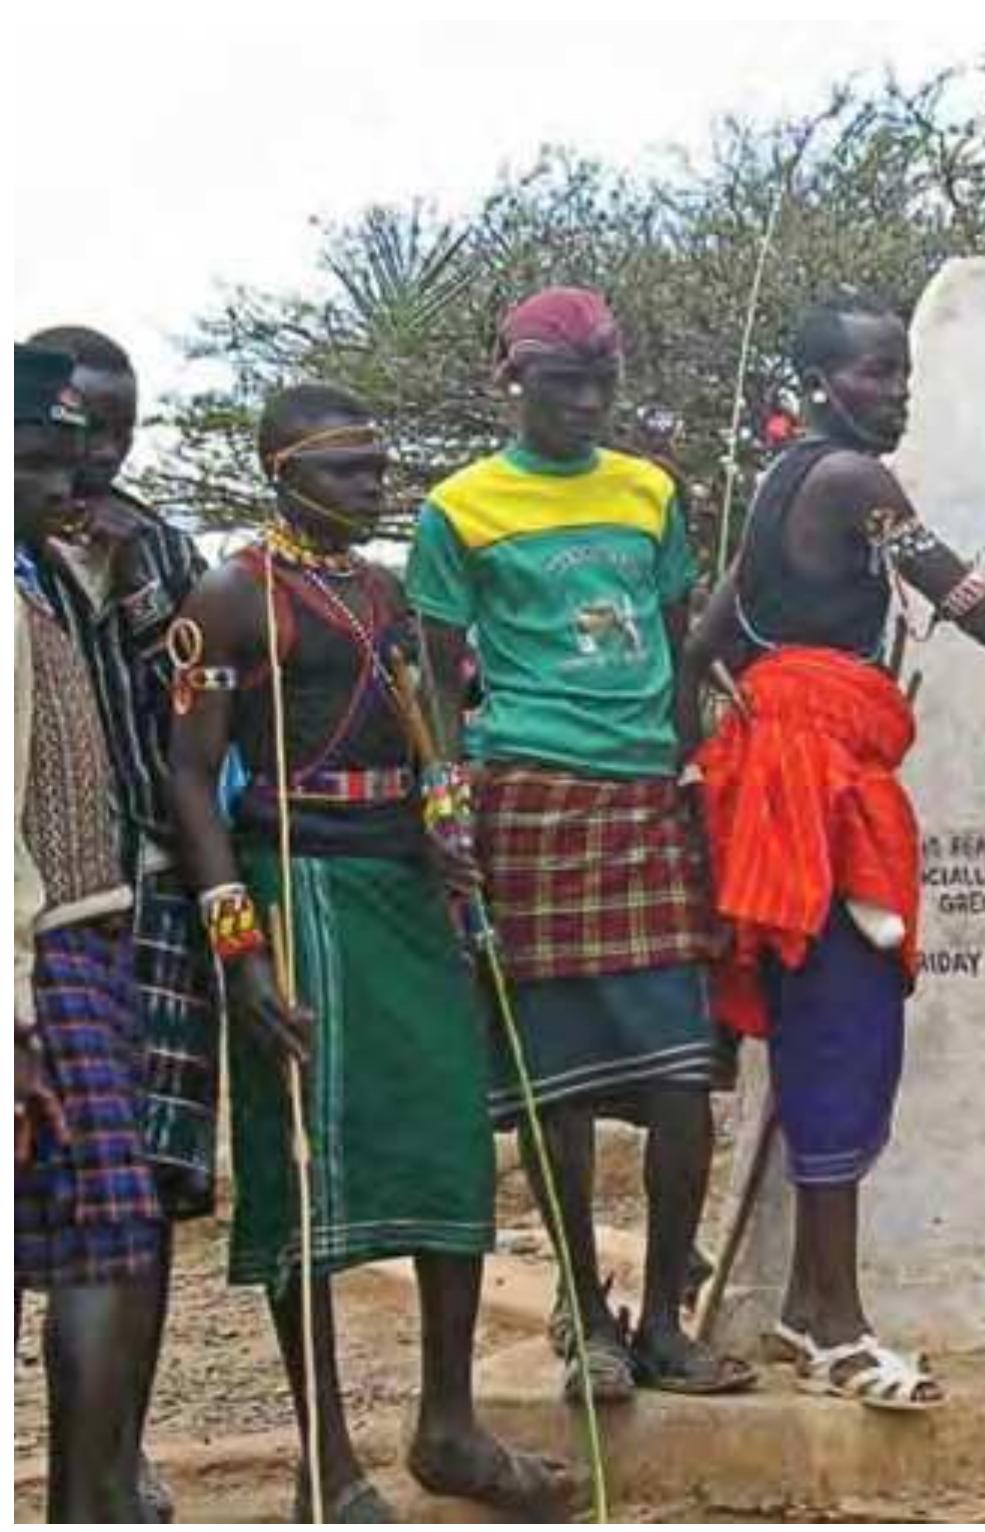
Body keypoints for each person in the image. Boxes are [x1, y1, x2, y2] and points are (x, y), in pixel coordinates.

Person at [681, 293, 985, 1409]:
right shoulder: (853, 482)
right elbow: (971, 599)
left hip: (788, 785)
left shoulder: (782, 485)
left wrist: (727, 754)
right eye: (871, 374)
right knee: (842, 1030)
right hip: (821, 798)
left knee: (825, 1025)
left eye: (901, 373)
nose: (894, 392)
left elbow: (708, 639)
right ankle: (836, 1324)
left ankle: (812, 1307)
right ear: (815, 383)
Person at [166, 383, 572, 1519]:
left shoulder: (386, 590)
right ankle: (322, 1458)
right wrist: (240, 950)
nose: (374, 485)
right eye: (348, 468)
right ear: (282, 469)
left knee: (449, 1142)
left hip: (402, 887)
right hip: (298, 889)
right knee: (306, 1166)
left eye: (380, 466)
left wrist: (448, 820)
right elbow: (189, 775)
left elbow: (429, 720)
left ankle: (447, 1425)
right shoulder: (229, 597)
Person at [407, 287, 754, 1402]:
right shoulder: (458, 509)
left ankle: (663, 1315)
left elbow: (674, 638)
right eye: (566, 385)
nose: (591, 403)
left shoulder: (648, 489)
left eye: (605, 382)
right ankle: (585, 1313)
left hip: (645, 798)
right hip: (531, 796)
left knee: (678, 1081)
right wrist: (445, 798)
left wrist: (692, 759)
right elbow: (435, 674)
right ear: (512, 381)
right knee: (555, 1084)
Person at [25, 325, 213, 1520]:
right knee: (75, 1198)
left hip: (149, 890)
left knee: (137, 1192)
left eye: (117, 434)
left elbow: (200, 702)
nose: (96, 460)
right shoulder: (24, 560)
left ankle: (113, 1465)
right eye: (72, 435)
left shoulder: (157, 549)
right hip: (40, 911)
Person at [15, 341, 166, 1523]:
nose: (74, 479)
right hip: (38, 944)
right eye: (43, 459)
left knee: (99, 1221)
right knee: (101, 1223)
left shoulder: (47, 571)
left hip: (87, 924)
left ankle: (92, 1495)